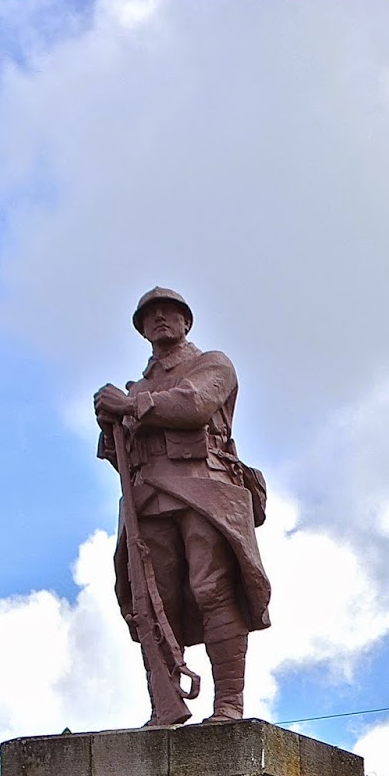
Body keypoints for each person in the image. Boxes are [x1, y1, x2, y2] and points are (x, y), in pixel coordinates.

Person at [94, 287, 271, 726]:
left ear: (186, 322)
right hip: (148, 496)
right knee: (156, 602)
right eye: (150, 315)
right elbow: (121, 457)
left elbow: (195, 405)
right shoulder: (137, 387)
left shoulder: (212, 363)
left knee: (212, 588)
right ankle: (164, 705)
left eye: (169, 312)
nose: (160, 319)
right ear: (142, 329)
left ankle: (229, 705)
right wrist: (109, 423)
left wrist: (131, 405)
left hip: (202, 488)